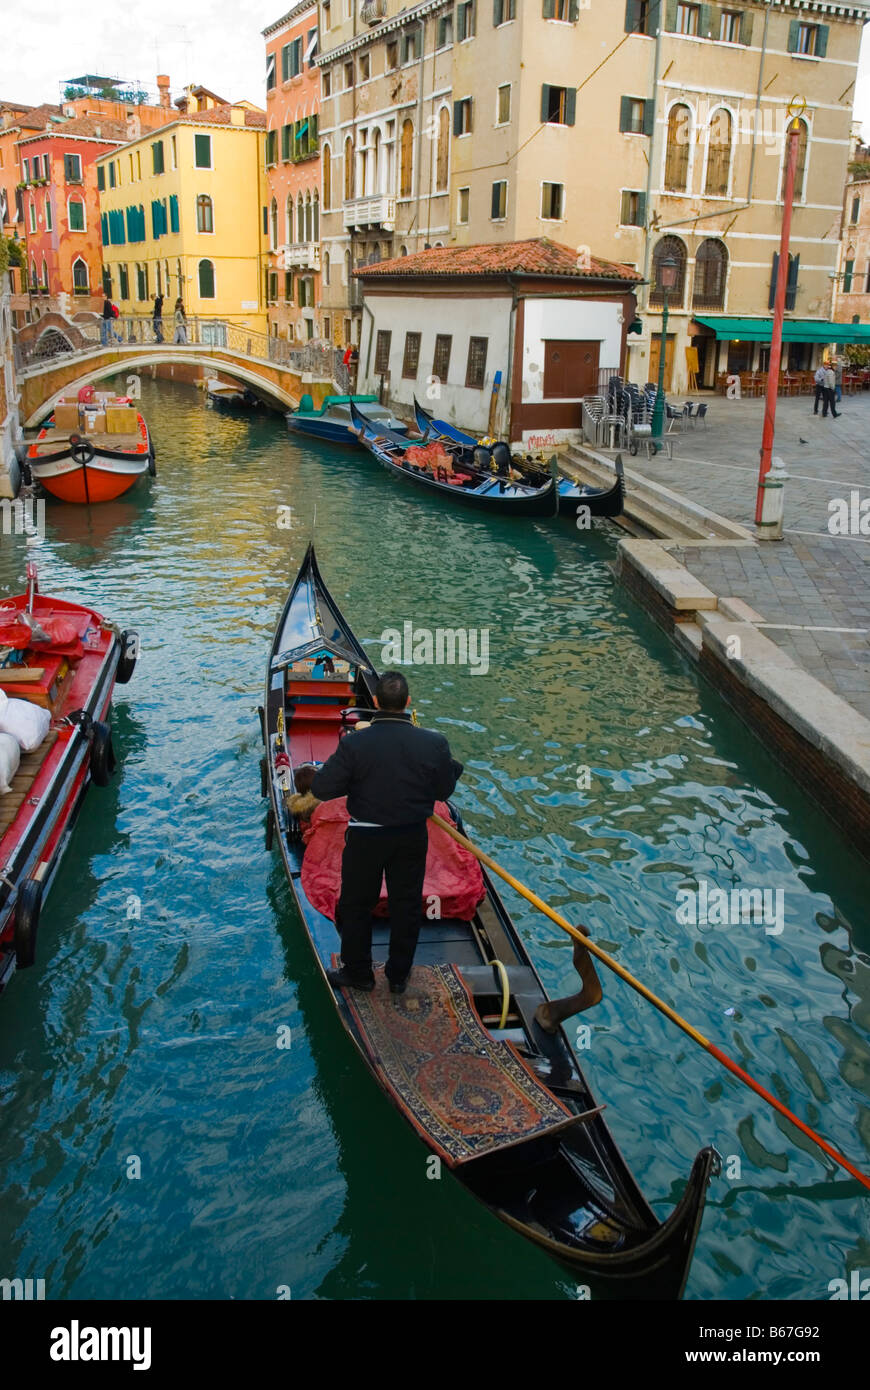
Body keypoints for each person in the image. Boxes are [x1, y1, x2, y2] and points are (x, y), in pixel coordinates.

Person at [311, 670, 462, 994]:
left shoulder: (355, 743)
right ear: (407, 703)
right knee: (406, 905)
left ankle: (360, 974)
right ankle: (397, 975)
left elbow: (323, 789)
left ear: (376, 702)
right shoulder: (434, 743)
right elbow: (443, 791)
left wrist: (351, 778)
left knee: (355, 904)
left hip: (366, 838)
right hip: (410, 837)